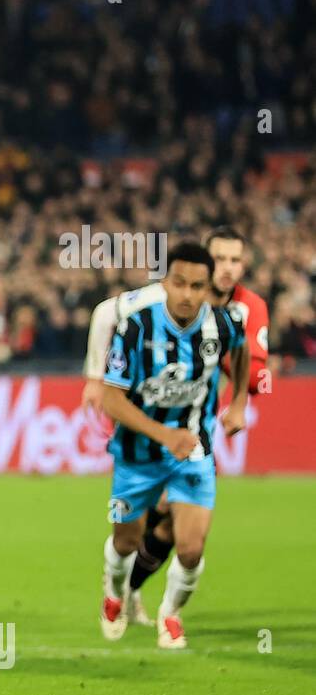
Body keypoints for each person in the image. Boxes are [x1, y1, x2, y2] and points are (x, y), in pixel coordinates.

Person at [82, 227, 269, 625]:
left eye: (235, 260)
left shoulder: (243, 311)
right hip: (144, 439)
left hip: (194, 437)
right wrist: (95, 377)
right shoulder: (149, 308)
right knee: (137, 531)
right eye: (220, 259)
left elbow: (249, 362)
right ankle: (124, 587)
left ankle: (155, 605)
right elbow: (104, 314)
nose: (227, 268)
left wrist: (240, 401)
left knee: (181, 534)